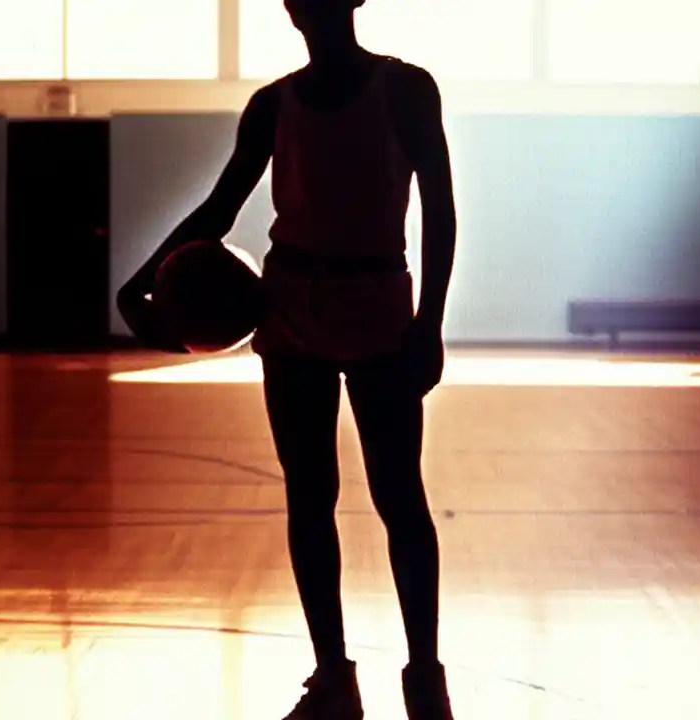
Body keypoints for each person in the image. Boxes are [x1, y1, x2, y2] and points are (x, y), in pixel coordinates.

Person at [118, 1, 457, 717]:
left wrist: (430, 323)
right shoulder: (271, 105)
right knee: (310, 496)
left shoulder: (405, 88)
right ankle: (333, 676)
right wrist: (144, 278)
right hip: (290, 306)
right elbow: (218, 209)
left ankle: (425, 675)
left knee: (400, 496)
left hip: (378, 298)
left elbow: (441, 208)